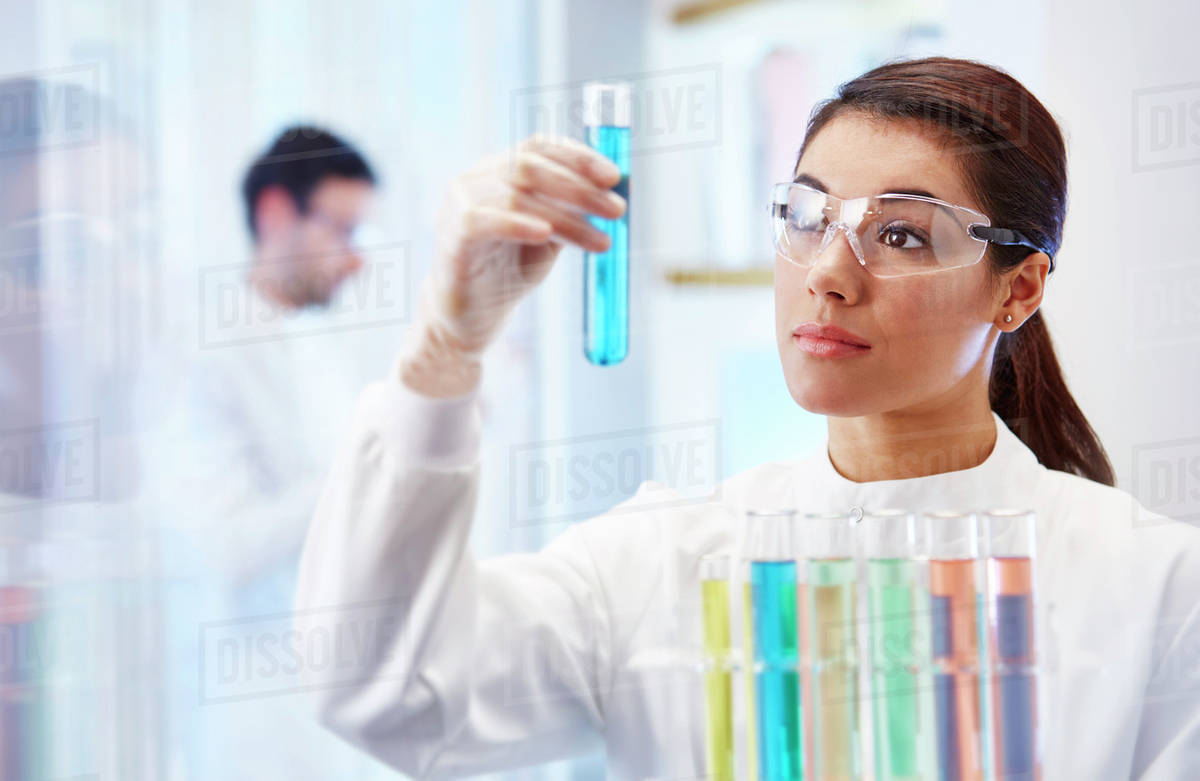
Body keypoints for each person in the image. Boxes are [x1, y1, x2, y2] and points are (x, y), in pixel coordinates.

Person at [293, 58, 1200, 780]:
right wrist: (439, 356)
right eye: (808, 217)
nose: (828, 274)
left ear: (1019, 288)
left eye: (902, 233)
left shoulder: (1155, 590)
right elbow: (387, 693)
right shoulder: (667, 561)